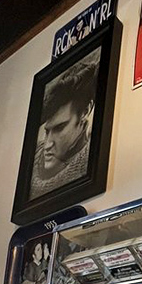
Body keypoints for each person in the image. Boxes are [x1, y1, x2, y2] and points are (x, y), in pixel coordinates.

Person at [29, 58, 97, 201]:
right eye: (47, 131)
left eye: (60, 128)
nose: (48, 144)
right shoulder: (34, 152)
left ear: (85, 112)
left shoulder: (89, 161)